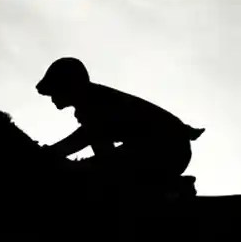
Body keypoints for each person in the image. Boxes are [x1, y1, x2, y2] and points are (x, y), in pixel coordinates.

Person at [35, 57, 204, 199]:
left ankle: (173, 189)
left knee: (98, 173)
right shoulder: (93, 100)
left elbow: (96, 146)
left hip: (167, 149)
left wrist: (55, 155)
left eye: (54, 91)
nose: (52, 98)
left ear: (67, 86)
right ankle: (170, 186)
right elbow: (96, 143)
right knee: (100, 170)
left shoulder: (92, 103)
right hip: (167, 147)